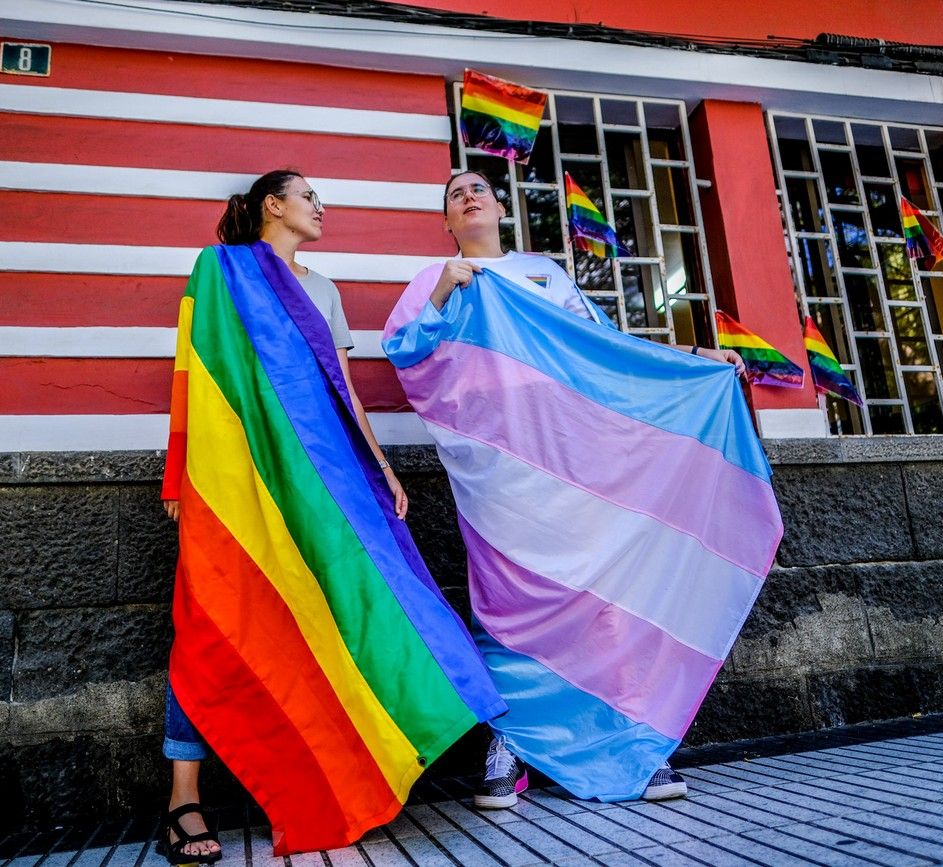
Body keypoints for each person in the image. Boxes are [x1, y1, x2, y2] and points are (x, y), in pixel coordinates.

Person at [383, 170, 783, 810]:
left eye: (479, 187)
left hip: (573, 460)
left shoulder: (543, 273)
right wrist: (440, 296)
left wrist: (690, 358)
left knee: (605, 595)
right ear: (448, 223)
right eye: (455, 193)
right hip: (500, 472)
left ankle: (635, 743)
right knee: (509, 601)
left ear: (500, 208)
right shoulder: (435, 279)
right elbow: (404, 352)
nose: (468, 195)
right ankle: (509, 744)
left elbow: (604, 348)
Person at [159, 170, 504, 861]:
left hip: (324, 481)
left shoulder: (323, 289)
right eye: (307, 195)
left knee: (342, 612)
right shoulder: (219, 270)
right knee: (213, 619)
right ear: (272, 206)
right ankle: (183, 801)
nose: (320, 207)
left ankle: (340, 767)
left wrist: (379, 467)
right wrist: (179, 475)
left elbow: (344, 389)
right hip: (239, 481)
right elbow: (192, 377)